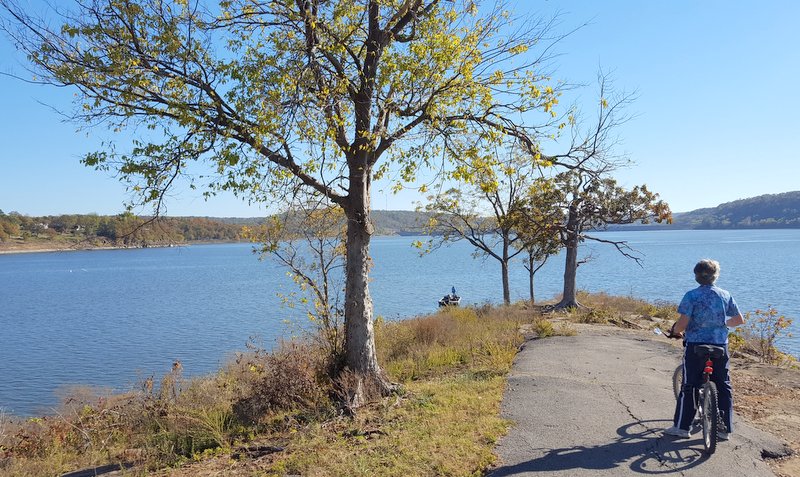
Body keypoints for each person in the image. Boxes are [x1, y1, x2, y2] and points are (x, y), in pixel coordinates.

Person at [664, 259, 745, 440]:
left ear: (696, 276)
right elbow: (739, 320)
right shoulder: (725, 295)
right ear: (715, 275)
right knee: (723, 385)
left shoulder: (691, 296)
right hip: (719, 345)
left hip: (696, 346)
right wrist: (721, 324)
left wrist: (675, 331)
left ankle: (682, 428)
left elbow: (682, 324)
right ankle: (724, 428)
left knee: (690, 385)